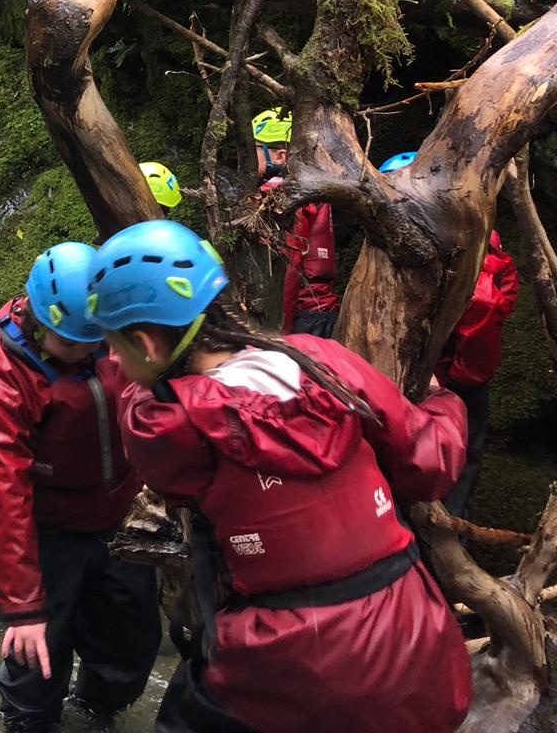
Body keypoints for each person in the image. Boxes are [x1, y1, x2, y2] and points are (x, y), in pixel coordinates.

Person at [87, 219, 471, 733]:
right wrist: (444, 399)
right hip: (417, 642)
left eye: (116, 344)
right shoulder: (324, 362)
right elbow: (430, 466)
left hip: (285, 660)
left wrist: (153, 377)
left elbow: (149, 428)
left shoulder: (163, 424)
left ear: (148, 345)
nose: (111, 359)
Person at [0, 242, 160, 732]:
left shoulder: (102, 336)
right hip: (47, 530)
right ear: (38, 319)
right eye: (72, 344)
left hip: (119, 516)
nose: (88, 353)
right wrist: (22, 608)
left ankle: (97, 713)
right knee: (36, 658)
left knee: (130, 645)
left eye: (95, 342)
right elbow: (2, 492)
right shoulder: (1, 371)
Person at [381, 152, 521, 517]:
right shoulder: (465, 239)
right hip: (439, 368)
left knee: (455, 455)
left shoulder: (467, 242)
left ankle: (441, 536)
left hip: (451, 374)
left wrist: (453, 375)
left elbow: (487, 307)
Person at [254, 107, 340, 338]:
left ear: (281, 156)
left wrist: (279, 331)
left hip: (302, 316)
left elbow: (287, 267)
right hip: (321, 309)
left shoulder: (284, 195)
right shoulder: (313, 189)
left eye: (256, 151)